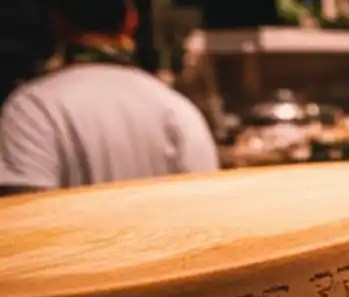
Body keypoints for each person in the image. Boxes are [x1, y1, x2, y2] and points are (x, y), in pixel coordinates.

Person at [0, 0, 218, 194]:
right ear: (130, 20)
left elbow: (24, 216)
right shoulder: (176, 107)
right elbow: (206, 206)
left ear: (56, 21)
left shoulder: (31, 109)